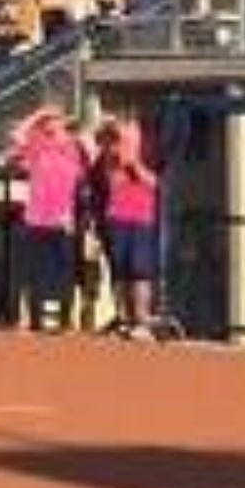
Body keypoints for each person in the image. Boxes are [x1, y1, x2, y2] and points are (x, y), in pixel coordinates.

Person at [10, 106, 90, 332]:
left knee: (64, 272)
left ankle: (65, 319)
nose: (49, 124)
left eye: (53, 121)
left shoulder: (73, 148)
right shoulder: (38, 144)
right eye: (47, 122)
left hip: (62, 219)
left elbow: (89, 161)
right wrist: (37, 114)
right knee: (34, 271)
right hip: (36, 218)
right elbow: (17, 136)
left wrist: (74, 134)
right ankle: (34, 319)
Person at [92, 116, 166, 339]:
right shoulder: (109, 155)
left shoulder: (150, 153)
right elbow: (101, 138)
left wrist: (135, 166)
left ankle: (142, 321)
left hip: (142, 217)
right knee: (119, 270)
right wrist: (113, 131)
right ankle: (123, 319)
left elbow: (156, 184)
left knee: (139, 270)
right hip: (116, 216)